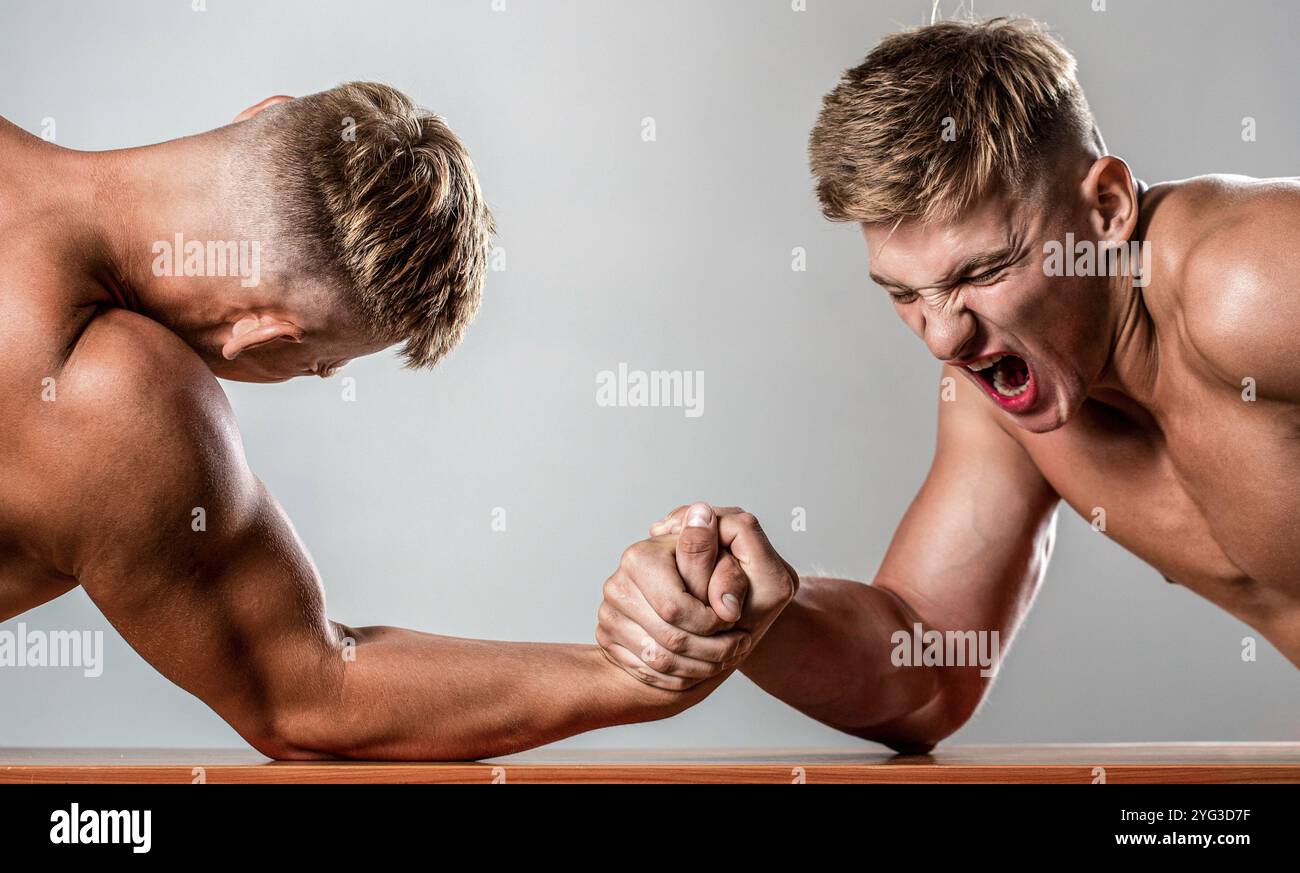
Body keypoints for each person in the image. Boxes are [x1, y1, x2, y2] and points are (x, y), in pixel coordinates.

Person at [597, 18, 1300, 752]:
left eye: (984, 272)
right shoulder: (1001, 406)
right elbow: (929, 668)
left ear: (1108, 208)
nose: (943, 338)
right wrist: (757, 612)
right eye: (904, 293)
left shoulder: (1247, 283)